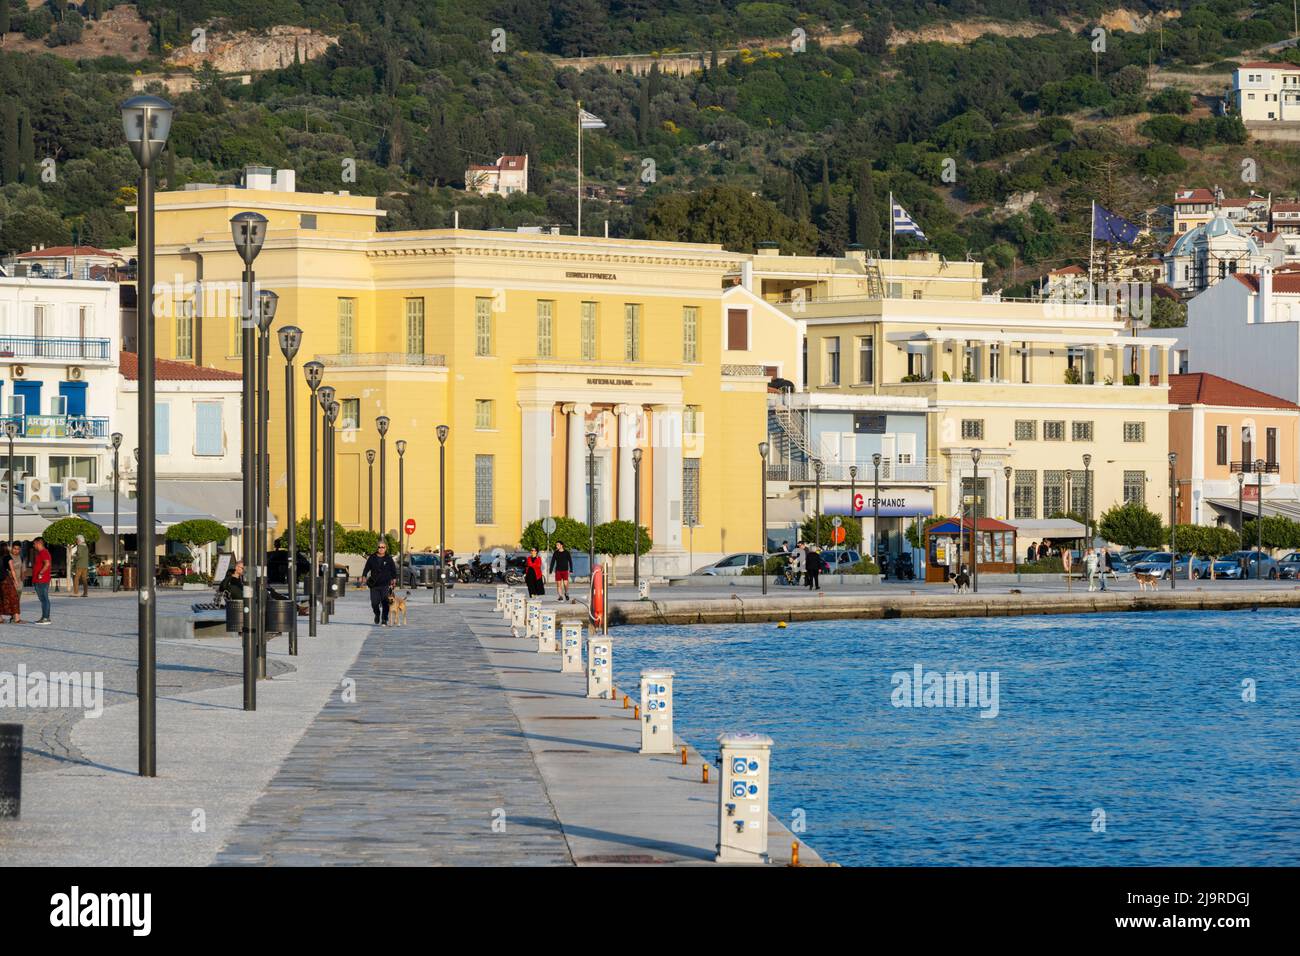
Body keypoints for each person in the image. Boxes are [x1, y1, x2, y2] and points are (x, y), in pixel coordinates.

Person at [361, 541, 398, 626]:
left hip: (385, 584)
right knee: (374, 603)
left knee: (385, 602)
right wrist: (364, 576)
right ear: (377, 548)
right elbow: (366, 568)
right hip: (374, 584)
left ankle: (384, 619)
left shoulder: (388, 558)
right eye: (379, 547)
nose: (381, 549)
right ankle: (377, 614)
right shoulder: (372, 557)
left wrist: (394, 579)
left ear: (385, 548)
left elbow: (393, 570)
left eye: (383, 547)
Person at [31, 538, 52, 625]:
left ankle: (46, 618)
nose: (33, 545)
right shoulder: (41, 553)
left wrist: (41, 573)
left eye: (34, 544)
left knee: (44, 599)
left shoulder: (44, 552)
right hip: (39, 579)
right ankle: (44, 617)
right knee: (43, 599)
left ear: (39, 543)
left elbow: (47, 563)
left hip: (42, 579)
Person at [0, 541, 20, 624]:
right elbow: (12, 570)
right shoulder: (7, 557)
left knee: (0, 599)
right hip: (5, 580)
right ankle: (16, 618)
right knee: (13, 598)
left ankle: (0, 619)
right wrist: (16, 581)